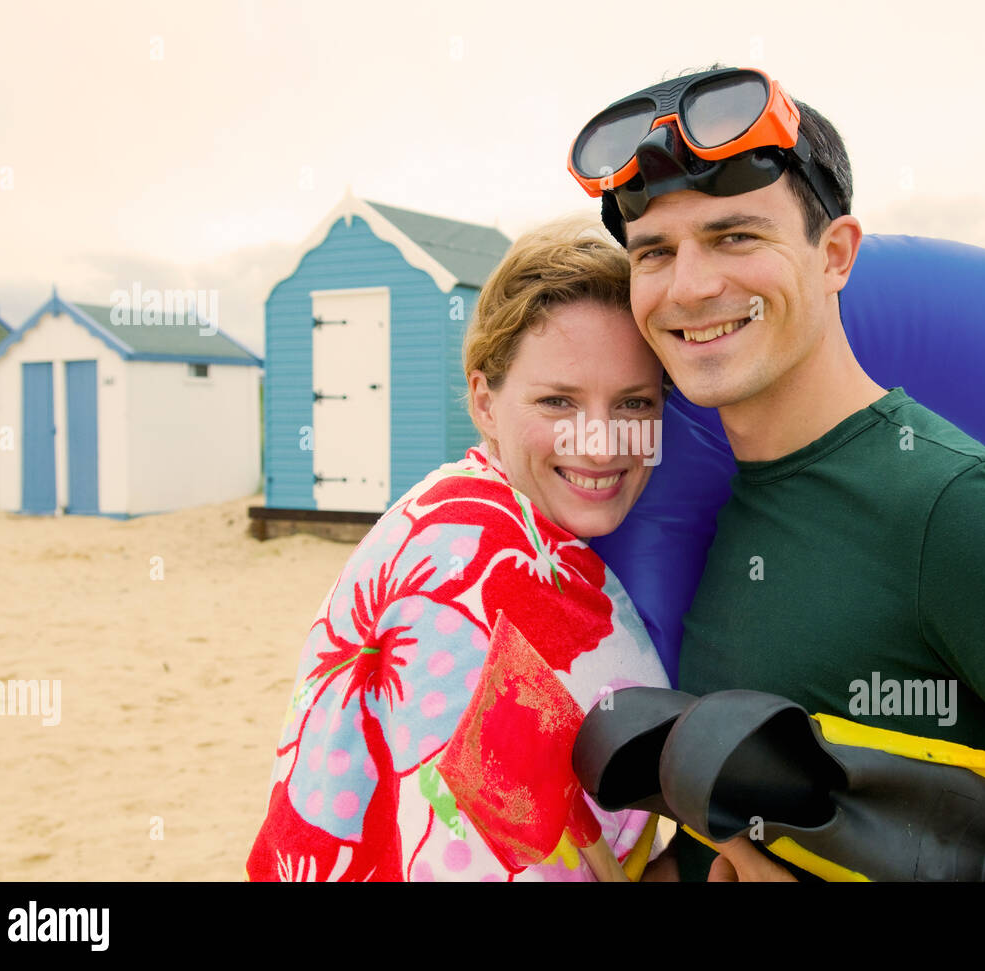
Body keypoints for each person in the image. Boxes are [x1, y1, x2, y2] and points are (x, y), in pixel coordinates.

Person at [567, 65, 985, 881]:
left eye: (736, 237)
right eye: (655, 252)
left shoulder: (956, 509)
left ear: (835, 255)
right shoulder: (724, 498)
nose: (690, 285)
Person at [245, 218, 670, 881]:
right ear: (484, 400)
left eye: (634, 403)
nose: (601, 443)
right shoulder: (469, 571)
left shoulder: (464, 512)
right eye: (558, 400)